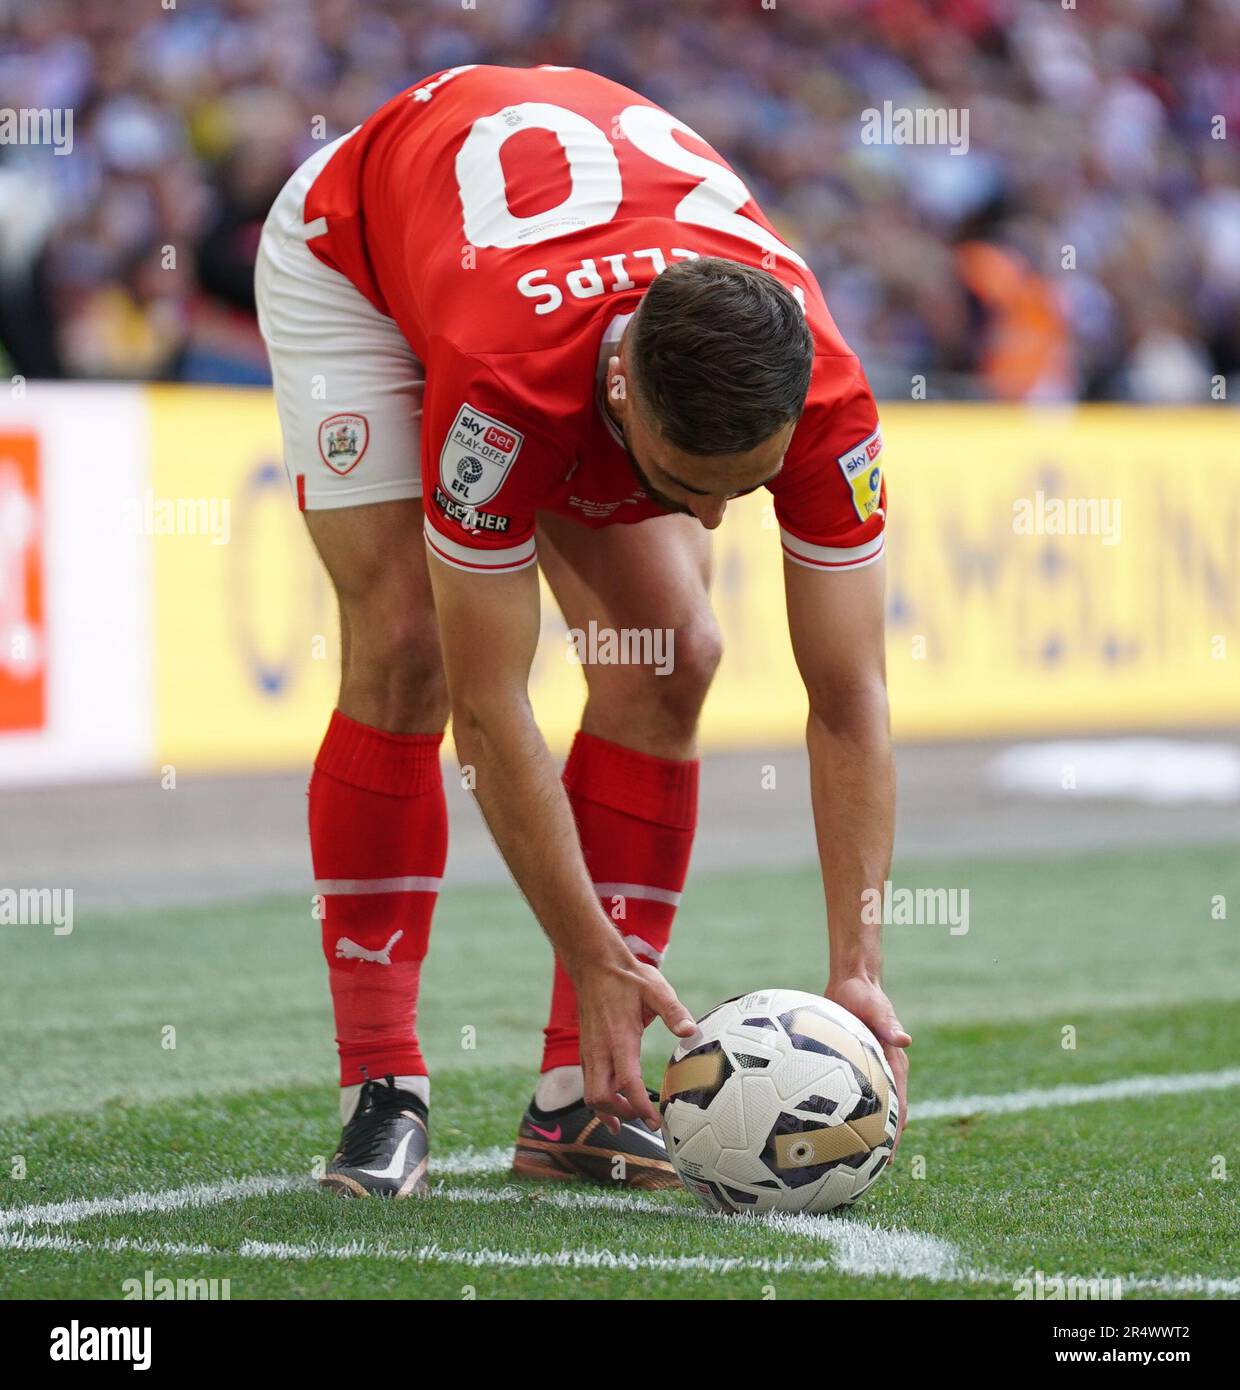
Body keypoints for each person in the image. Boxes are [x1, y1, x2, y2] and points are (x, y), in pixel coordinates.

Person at [255, 63, 909, 1198]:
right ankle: (381, 1087)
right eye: (682, 481)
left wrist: (857, 963)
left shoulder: (831, 400)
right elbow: (487, 701)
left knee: (674, 653)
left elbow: (848, 696)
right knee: (406, 646)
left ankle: (575, 1102)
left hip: (529, 270)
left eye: (738, 491)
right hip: (357, 253)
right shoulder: (509, 398)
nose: (707, 516)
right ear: (622, 397)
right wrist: (588, 945)